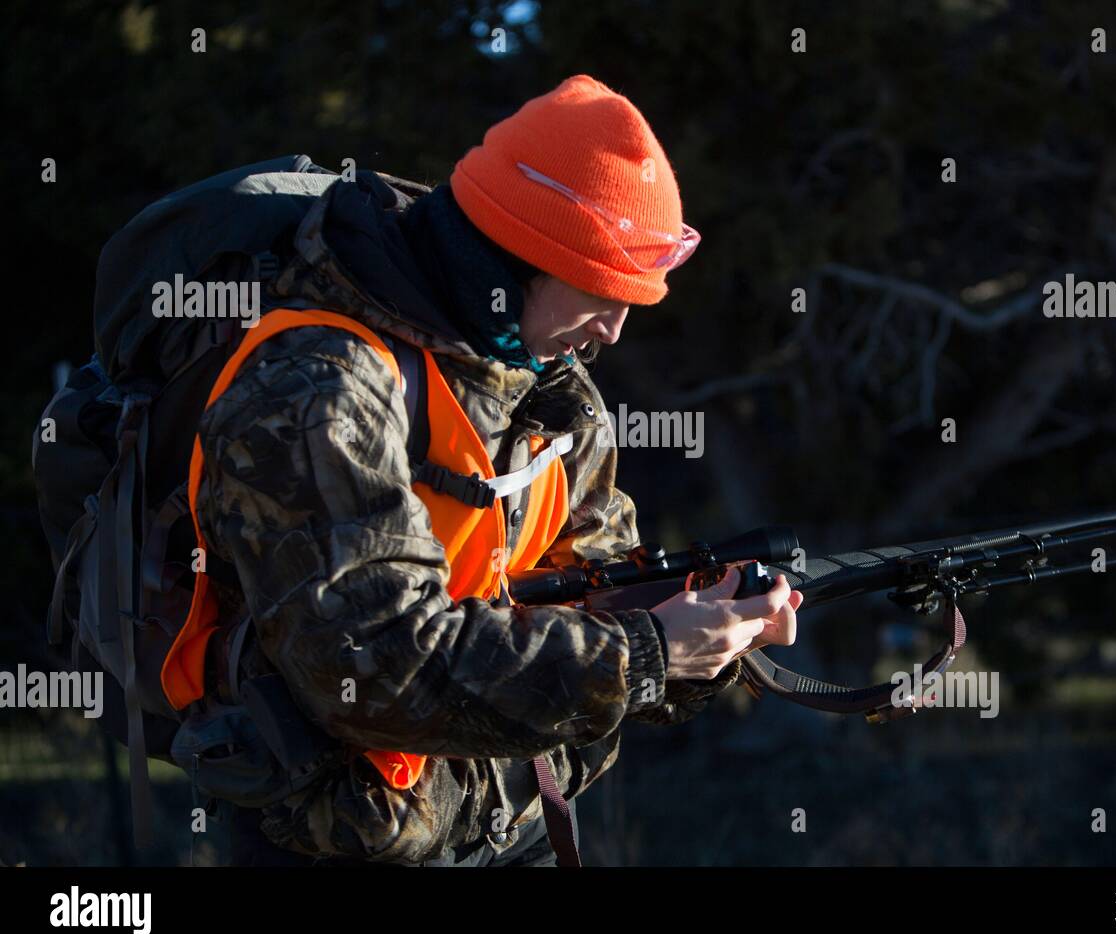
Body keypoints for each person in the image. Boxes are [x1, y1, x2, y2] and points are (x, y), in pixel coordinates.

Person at [191, 74, 802, 865]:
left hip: (515, 818)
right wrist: (652, 652)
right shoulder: (316, 390)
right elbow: (377, 667)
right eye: (598, 294)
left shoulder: (551, 390)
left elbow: (594, 584)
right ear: (511, 260)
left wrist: (707, 627)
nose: (614, 332)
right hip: (343, 842)